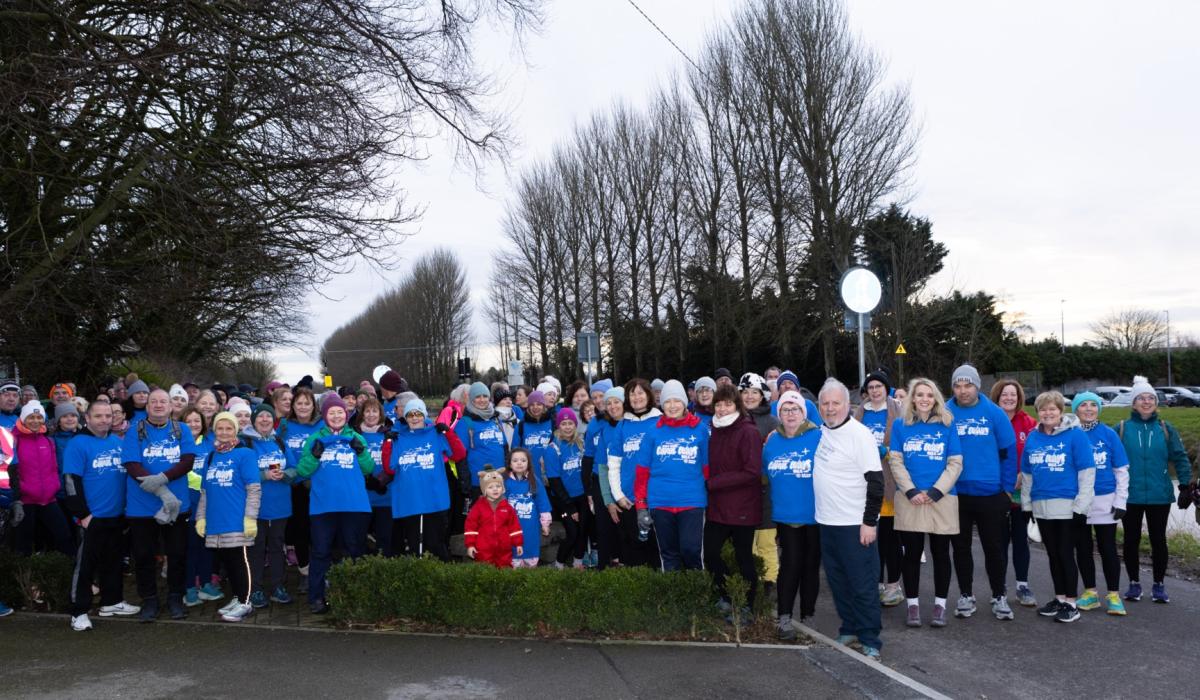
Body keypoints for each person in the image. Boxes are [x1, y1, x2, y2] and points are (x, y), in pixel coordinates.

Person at [813, 378, 884, 660]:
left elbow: (876, 483)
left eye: (836, 403)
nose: (830, 408)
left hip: (855, 525)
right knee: (838, 581)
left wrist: (869, 522)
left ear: (848, 404)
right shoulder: (821, 432)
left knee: (862, 583)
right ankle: (850, 627)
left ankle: (870, 638)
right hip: (827, 522)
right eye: (825, 403)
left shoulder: (860, 435)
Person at [888, 378, 963, 628]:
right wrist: (910, 490)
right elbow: (895, 461)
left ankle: (940, 606)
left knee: (941, 553)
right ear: (912, 398)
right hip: (910, 498)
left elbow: (955, 463)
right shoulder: (900, 425)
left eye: (929, 395)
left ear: (936, 399)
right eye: (919, 394)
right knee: (911, 554)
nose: (924, 399)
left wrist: (937, 491)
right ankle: (913, 606)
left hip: (941, 497)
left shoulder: (947, 424)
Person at [946, 364, 1017, 621]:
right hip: (956, 493)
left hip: (990, 494)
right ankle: (966, 595)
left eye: (968, 385)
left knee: (994, 548)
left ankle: (999, 595)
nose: (963, 391)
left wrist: (1007, 490)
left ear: (977, 386)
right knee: (961, 548)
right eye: (958, 386)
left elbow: (1009, 452)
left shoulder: (994, 413)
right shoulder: (945, 412)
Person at [62, 400, 141, 630]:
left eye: (108, 415)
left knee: (113, 563)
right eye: (98, 416)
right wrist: (83, 515)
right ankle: (78, 611)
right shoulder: (78, 444)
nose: (105, 420)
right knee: (85, 567)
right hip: (91, 518)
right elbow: (71, 482)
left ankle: (111, 602)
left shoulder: (117, 442)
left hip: (116, 516)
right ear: (87, 418)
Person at [122, 389, 198, 621]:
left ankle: (175, 598)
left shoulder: (181, 429)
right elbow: (132, 464)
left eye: (163, 401)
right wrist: (162, 490)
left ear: (171, 406)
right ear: (147, 407)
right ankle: (149, 600)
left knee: (177, 554)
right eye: (153, 401)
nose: (158, 405)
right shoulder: (135, 429)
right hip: (141, 507)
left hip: (176, 505)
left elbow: (188, 461)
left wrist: (163, 478)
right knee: (144, 556)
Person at [295, 394, 374, 614]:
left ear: (346, 415)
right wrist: (314, 456)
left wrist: (361, 452)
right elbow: (302, 471)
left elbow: (369, 469)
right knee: (321, 552)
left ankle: (354, 596)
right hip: (323, 506)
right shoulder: (314, 439)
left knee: (354, 551)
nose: (337, 416)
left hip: (354, 505)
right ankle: (317, 597)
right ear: (324, 415)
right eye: (332, 412)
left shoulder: (356, 437)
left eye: (340, 412)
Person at [1021, 391, 1094, 623]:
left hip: (1067, 506)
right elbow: (1027, 475)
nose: (1047, 413)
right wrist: (1026, 505)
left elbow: (1086, 473)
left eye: (1052, 409)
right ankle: (1060, 598)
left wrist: (1081, 507)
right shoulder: (1033, 437)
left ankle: (1071, 603)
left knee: (1065, 553)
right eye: (1043, 409)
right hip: (1041, 505)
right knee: (1053, 555)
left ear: (1060, 411)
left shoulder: (1076, 435)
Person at [1118, 376, 1192, 604]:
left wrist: (1185, 485)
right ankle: (1134, 583)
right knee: (1131, 540)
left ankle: (1159, 584)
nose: (1146, 402)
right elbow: (1107, 459)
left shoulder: (1165, 428)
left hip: (1159, 494)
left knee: (1158, 540)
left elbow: (1180, 458)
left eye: (1151, 398)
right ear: (1133, 403)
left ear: (1156, 402)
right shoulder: (1121, 429)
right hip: (1130, 495)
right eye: (1141, 398)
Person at [763, 390, 822, 639]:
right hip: (785, 516)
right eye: (785, 410)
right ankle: (784, 617)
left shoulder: (819, 437)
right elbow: (762, 476)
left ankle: (808, 615)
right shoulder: (772, 442)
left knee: (810, 567)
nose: (790, 414)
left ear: (803, 413)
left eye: (795, 409)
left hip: (815, 515)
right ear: (779, 414)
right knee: (789, 565)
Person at [634, 379, 709, 572]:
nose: (672, 406)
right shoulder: (653, 432)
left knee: (691, 550)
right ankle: (673, 590)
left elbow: (707, 468)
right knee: (669, 555)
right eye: (667, 401)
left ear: (685, 402)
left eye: (677, 400)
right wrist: (641, 505)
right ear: (661, 404)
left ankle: (696, 588)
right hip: (661, 501)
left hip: (691, 500)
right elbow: (642, 472)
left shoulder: (700, 429)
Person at [194, 412, 262, 623]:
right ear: (214, 430)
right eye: (220, 428)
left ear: (236, 430)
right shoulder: (211, 457)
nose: (224, 432)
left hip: (237, 520)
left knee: (239, 562)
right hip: (216, 521)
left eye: (229, 428)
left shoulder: (245, 454)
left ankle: (246, 602)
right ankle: (237, 596)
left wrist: (250, 518)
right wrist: (201, 518)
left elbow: (253, 489)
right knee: (228, 563)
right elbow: (205, 492)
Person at [704, 385, 763, 622]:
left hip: (742, 507)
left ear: (737, 405)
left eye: (727, 404)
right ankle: (727, 596)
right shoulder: (714, 430)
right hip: (718, 506)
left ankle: (747, 606)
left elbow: (752, 472)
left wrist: (714, 483)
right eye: (718, 404)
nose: (722, 409)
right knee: (710, 553)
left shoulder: (748, 431)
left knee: (743, 557)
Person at [379, 399, 464, 561]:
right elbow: (389, 468)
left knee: (436, 544)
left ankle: (439, 574)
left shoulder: (436, 434)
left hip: (434, 499)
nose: (414, 418)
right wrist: (388, 442)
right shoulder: (398, 438)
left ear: (424, 415)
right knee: (414, 546)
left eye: (418, 414)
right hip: (410, 501)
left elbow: (458, 454)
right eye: (410, 415)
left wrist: (448, 433)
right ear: (405, 418)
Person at [1070, 392, 1129, 616]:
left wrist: (1121, 500)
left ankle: (1113, 595)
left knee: (1108, 548)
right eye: (1083, 405)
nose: (1088, 409)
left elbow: (1121, 469)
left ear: (1098, 409)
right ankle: (1090, 593)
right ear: (1076, 409)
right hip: (1078, 501)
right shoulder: (1070, 433)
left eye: (1093, 405)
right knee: (1083, 548)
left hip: (1105, 499)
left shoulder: (1109, 434)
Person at [852, 369, 904, 608]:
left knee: (890, 539)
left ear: (886, 389)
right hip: (866, 484)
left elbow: (906, 442)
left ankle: (893, 585)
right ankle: (876, 583)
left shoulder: (898, 410)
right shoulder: (860, 412)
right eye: (871, 387)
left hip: (891, 483)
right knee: (869, 539)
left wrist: (888, 451)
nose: (874, 391)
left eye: (878, 387)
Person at [990, 378, 1040, 607]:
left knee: (1020, 540)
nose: (1009, 398)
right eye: (1004, 394)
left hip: (1022, 492)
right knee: (998, 542)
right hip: (996, 491)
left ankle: (1022, 586)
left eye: (1013, 394)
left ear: (1019, 398)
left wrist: (1023, 475)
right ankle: (998, 588)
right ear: (997, 397)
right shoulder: (990, 421)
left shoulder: (1029, 423)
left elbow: (1036, 453)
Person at [605, 379, 661, 568]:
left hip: (656, 496)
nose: (636, 397)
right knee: (634, 546)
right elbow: (613, 464)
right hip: (629, 498)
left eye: (640, 393)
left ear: (648, 395)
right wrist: (618, 495)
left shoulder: (660, 421)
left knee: (656, 547)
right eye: (632, 394)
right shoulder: (622, 425)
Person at [241, 404, 292, 608]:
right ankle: (255, 589)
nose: (264, 420)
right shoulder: (245, 443)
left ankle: (278, 586)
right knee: (256, 549)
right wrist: (264, 475)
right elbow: (240, 473)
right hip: (255, 507)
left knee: (277, 547)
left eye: (268, 416)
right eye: (260, 416)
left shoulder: (279, 441)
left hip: (280, 506)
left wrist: (285, 474)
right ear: (253, 421)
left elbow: (295, 468)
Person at [739, 373, 781, 606]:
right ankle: (751, 584)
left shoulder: (773, 422)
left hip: (766, 492)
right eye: (745, 392)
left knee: (766, 542)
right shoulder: (734, 419)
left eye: (754, 392)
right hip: (742, 493)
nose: (749, 396)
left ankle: (770, 584)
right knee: (748, 543)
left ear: (762, 395)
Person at [11, 401, 73, 556]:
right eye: (31, 417)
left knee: (64, 535)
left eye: (39, 417)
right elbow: (12, 470)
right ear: (23, 419)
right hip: (26, 500)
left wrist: (55, 486)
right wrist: (19, 493)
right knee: (24, 544)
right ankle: (24, 570)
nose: (35, 421)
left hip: (49, 498)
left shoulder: (47, 440)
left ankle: (67, 566)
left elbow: (53, 468)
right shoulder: (15, 439)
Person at [179, 407, 221, 606]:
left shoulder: (210, 443)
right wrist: (202, 481)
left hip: (208, 502)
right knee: (191, 547)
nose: (193, 425)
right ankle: (189, 587)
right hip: (187, 502)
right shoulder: (178, 444)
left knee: (206, 545)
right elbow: (180, 471)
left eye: (197, 421)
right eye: (189, 421)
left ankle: (205, 584)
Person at [281, 387, 322, 585]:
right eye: (299, 403)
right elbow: (277, 451)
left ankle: (321, 567)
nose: (303, 407)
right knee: (300, 528)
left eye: (307, 403)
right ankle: (304, 569)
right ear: (293, 406)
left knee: (320, 528)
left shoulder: (322, 425)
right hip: (295, 485)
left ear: (314, 405)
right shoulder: (285, 426)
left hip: (320, 484)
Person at [544, 407, 589, 569]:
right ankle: (559, 564)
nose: (568, 427)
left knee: (583, 531)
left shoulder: (581, 444)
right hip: (563, 499)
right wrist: (570, 507)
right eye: (564, 424)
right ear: (558, 426)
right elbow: (554, 481)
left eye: (571, 423)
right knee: (572, 533)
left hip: (582, 496)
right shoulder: (552, 448)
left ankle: (578, 563)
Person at [353, 397, 394, 557]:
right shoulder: (354, 436)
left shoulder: (388, 435)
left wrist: (380, 481)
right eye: (367, 411)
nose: (371, 415)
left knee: (385, 540)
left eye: (374, 411)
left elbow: (394, 463)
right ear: (362, 414)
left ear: (380, 414)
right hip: (361, 497)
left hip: (385, 496)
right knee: (358, 539)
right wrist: (365, 479)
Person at [455, 382, 510, 502]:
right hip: (479, 483)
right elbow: (461, 456)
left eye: (485, 396)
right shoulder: (465, 423)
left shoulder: (496, 420)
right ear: (471, 399)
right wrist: (466, 483)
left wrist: (507, 472)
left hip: (499, 480)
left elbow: (505, 448)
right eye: (478, 396)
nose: (482, 400)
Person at [464, 468, 523, 568]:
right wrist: (470, 545)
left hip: (504, 548)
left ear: (502, 488)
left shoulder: (507, 507)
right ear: (484, 490)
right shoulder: (478, 507)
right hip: (483, 548)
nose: (495, 489)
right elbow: (470, 527)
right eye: (490, 487)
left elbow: (514, 527)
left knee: (505, 569)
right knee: (485, 570)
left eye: (498, 486)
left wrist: (518, 544)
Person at [504, 448, 551, 567]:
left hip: (531, 527)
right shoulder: (505, 482)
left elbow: (543, 504)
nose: (519, 463)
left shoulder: (534, 481)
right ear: (509, 464)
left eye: (523, 460)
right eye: (515, 460)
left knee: (530, 554)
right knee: (513, 557)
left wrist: (545, 524)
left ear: (528, 463)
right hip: (510, 528)